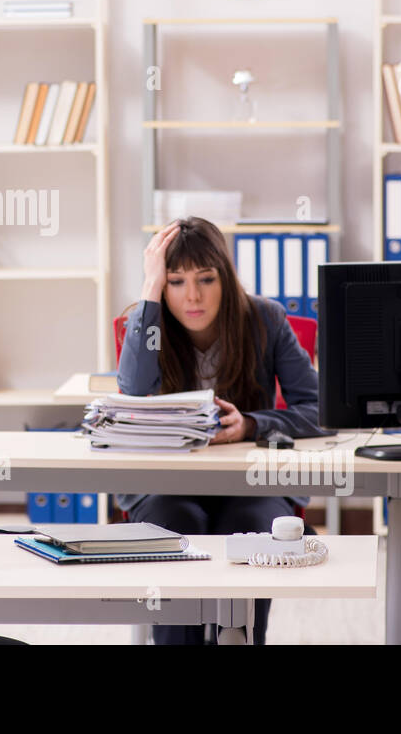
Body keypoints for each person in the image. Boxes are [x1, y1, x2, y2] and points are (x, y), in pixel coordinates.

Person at [116, 217, 326, 645]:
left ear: (224, 278)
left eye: (206, 279)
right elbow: (134, 394)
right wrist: (149, 292)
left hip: (249, 483)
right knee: (172, 527)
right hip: (165, 485)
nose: (192, 296)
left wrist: (251, 425)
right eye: (175, 281)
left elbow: (318, 409)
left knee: (250, 526)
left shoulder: (264, 319)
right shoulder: (150, 323)